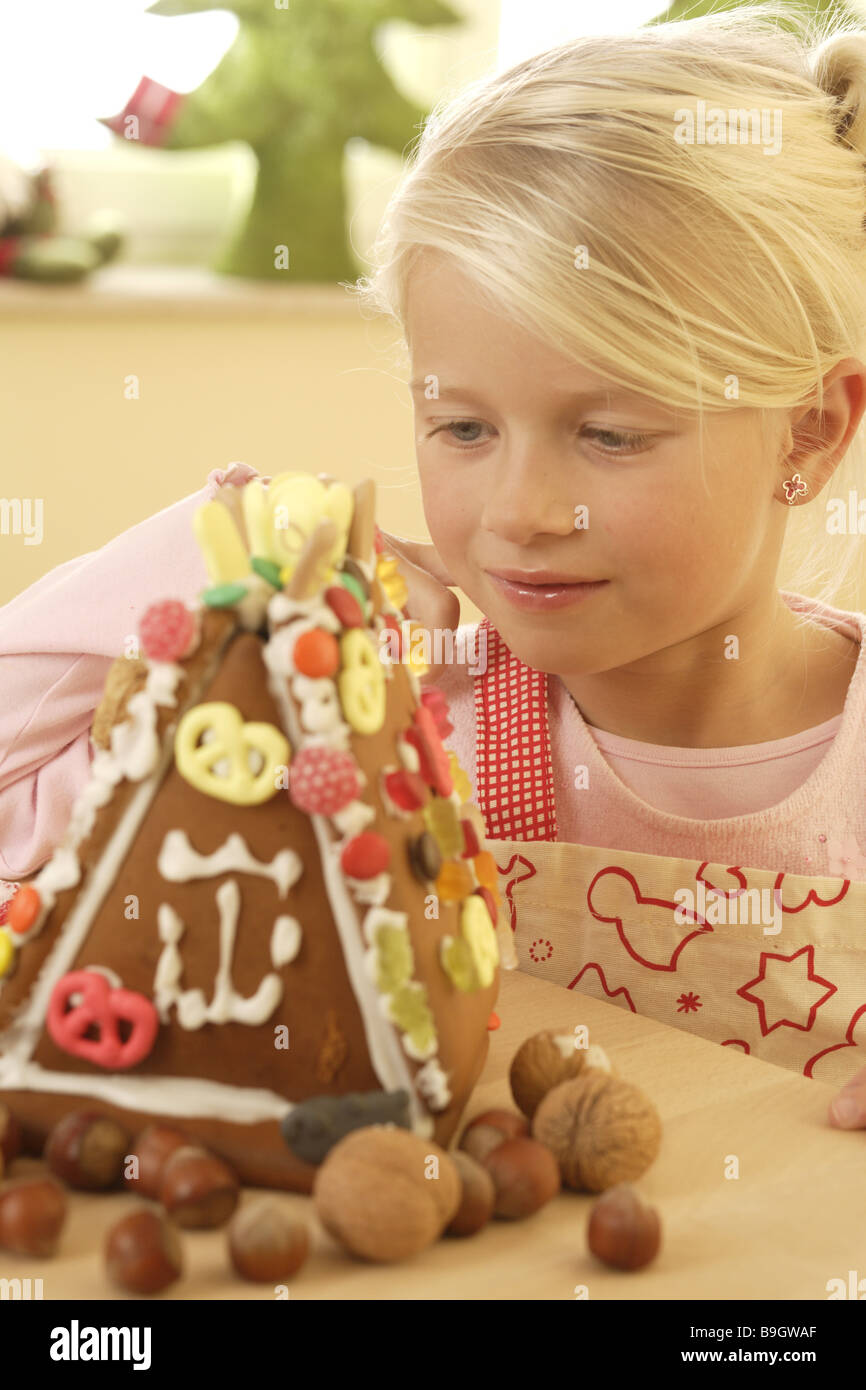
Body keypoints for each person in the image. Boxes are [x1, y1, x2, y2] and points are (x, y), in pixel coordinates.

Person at [1, 5, 865, 1124]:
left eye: (608, 436)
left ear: (806, 432)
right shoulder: (386, 723)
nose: (519, 512)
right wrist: (240, 546)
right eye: (462, 429)